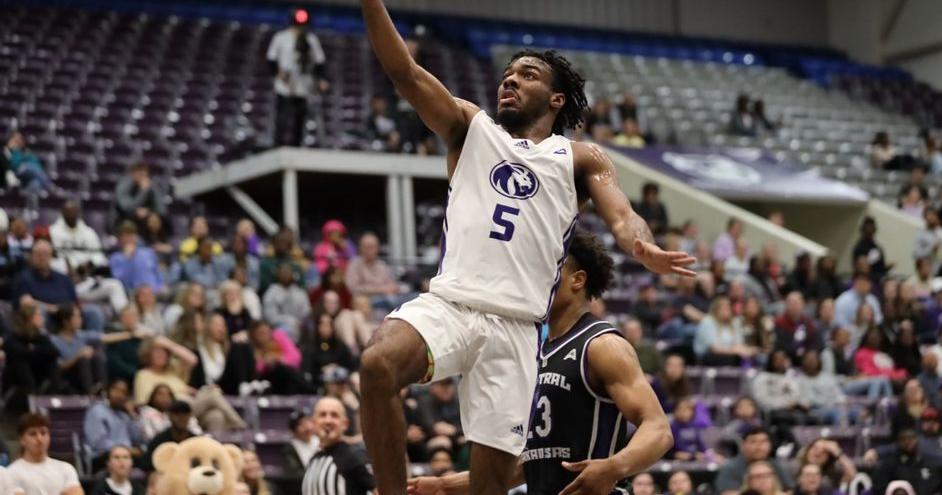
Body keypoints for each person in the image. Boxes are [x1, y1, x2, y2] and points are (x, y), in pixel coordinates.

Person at [359, 3, 694, 491]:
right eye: (507, 75)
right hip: (452, 303)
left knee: (492, 482)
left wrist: (642, 246)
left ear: (557, 98)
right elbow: (402, 71)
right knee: (377, 363)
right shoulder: (470, 127)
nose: (509, 81)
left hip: (517, 330)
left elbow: (622, 215)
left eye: (527, 75)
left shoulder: (580, 157)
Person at [406, 231, 673, 495]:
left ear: (577, 281)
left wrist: (614, 467)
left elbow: (659, 430)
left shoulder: (602, 345)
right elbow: (529, 463)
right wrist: (443, 485)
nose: (531, 280)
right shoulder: (533, 353)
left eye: (545, 270)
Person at [267, 8, 328, 147]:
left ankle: (296, 147)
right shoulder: (281, 37)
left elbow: (319, 62)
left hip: (303, 85)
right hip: (285, 86)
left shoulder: (311, 39)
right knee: (282, 119)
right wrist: (278, 72)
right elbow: (271, 59)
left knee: (299, 121)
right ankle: (278, 147)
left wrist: (321, 79)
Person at [302, 397, 375, 495]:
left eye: (334, 415)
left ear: (345, 424)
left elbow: (380, 490)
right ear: (314, 423)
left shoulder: (353, 456)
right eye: (322, 415)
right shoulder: (313, 460)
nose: (328, 421)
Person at [7, 413, 83, 495]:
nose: (39, 438)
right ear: (22, 440)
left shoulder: (66, 468)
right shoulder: (11, 473)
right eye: (33, 434)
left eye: (43, 433)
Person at [3, 304, 60, 409]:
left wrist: (34, 349)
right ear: (29, 319)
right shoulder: (13, 337)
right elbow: (19, 352)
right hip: (17, 386)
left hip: (37, 379)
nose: (42, 318)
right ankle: (32, 395)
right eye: (38, 315)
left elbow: (55, 352)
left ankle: (55, 394)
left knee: (51, 361)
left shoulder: (41, 336)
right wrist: (36, 352)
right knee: (20, 361)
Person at [83, 378, 145, 472]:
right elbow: (98, 443)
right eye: (115, 390)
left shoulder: (125, 415)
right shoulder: (97, 411)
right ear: (108, 392)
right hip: (103, 456)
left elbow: (138, 439)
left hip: (127, 455)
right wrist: (127, 450)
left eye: (123, 392)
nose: (119, 395)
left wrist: (132, 415)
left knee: (149, 459)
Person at [871, 428, 942, 495]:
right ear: (898, 442)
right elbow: (879, 487)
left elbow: (936, 485)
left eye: (911, 438)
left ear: (917, 439)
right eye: (904, 439)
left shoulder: (927, 462)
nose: (908, 442)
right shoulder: (889, 464)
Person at [751, 350, 812, 426]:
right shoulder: (762, 378)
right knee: (784, 420)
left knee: (813, 418)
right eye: (778, 359)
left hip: (797, 410)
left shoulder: (794, 376)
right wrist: (785, 405)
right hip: (775, 412)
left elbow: (802, 394)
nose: (781, 362)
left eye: (783, 359)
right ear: (771, 361)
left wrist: (803, 403)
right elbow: (762, 401)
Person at [344, 232, 401, 311]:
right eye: (367, 247)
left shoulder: (381, 265)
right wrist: (381, 290)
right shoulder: (354, 264)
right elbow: (353, 288)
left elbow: (391, 284)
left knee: (411, 298)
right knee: (392, 302)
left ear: (377, 248)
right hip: (366, 300)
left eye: (372, 247)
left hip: (385, 297)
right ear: (360, 248)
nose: (370, 250)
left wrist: (393, 288)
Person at [693, 296, 757, 366]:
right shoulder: (708, 321)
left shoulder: (733, 323)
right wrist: (734, 350)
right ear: (716, 310)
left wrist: (748, 350)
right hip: (708, 357)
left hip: (729, 355)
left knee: (751, 356)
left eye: (728, 308)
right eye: (724, 308)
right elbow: (714, 349)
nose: (727, 311)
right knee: (732, 358)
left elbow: (738, 344)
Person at [108, 221, 164, 294]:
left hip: (155, 293)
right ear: (119, 239)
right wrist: (127, 259)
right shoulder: (115, 258)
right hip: (134, 295)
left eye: (132, 235)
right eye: (126, 236)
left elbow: (157, 274)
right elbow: (121, 283)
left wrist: (160, 286)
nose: (129, 239)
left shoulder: (148, 252)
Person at [143, 400, 199, 472]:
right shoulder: (159, 441)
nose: (181, 417)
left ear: (190, 416)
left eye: (185, 414)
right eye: (177, 413)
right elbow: (147, 465)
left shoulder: (196, 441)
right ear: (169, 415)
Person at [263, 262, 312, 342]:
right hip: (278, 328)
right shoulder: (271, 292)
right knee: (286, 330)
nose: (285, 274)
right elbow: (270, 318)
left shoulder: (300, 292)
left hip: (299, 327)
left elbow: (306, 312)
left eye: (288, 272)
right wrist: (291, 321)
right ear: (278, 274)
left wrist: (301, 322)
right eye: (283, 272)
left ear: (292, 274)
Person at [796, 350, 848, 425]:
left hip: (833, 407)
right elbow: (803, 402)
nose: (811, 362)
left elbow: (839, 396)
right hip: (813, 412)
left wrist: (841, 404)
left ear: (818, 361)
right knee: (836, 413)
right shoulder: (799, 380)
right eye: (808, 360)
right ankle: (842, 435)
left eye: (813, 360)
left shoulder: (828, 378)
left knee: (857, 412)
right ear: (803, 361)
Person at [137, 384, 202, 442]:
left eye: (169, 395)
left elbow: (197, 432)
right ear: (152, 397)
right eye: (160, 394)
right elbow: (149, 437)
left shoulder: (182, 412)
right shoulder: (146, 412)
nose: (165, 398)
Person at [112, 162, 166, 231]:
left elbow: (161, 209)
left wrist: (149, 212)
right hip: (124, 221)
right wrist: (142, 192)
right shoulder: (123, 186)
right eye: (139, 173)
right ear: (132, 174)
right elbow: (126, 208)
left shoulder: (152, 186)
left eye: (144, 173)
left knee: (157, 221)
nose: (142, 176)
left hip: (146, 222)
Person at [774, 292, 822, 361]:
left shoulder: (808, 323)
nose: (794, 307)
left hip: (804, 356)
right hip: (787, 356)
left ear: (803, 305)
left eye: (796, 303)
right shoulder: (779, 323)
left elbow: (817, 343)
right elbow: (778, 345)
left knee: (812, 357)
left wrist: (808, 352)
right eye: (791, 304)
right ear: (786, 305)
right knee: (779, 356)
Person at [259, 226, 305, 295]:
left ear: (289, 245)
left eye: (284, 242)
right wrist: (279, 277)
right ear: (273, 243)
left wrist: (291, 278)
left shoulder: (295, 266)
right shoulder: (265, 264)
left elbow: (302, 286)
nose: (281, 245)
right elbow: (263, 287)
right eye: (279, 241)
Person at [668, 397, 715, 461]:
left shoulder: (694, 426)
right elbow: (678, 446)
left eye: (687, 409)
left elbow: (700, 443)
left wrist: (709, 452)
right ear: (675, 411)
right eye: (680, 409)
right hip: (679, 457)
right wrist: (694, 455)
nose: (684, 412)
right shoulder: (673, 427)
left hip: (695, 456)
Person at [853, 217, 892, 282]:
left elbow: (881, 268)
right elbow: (857, 267)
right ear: (863, 229)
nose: (870, 229)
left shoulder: (878, 248)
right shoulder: (859, 248)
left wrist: (887, 267)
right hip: (864, 280)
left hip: (878, 280)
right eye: (868, 227)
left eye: (871, 227)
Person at [283, 409, 320, 478]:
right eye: (300, 424)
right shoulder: (290, 448)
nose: (307, 427)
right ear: (294, 431)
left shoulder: (320, 440)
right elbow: (295, 473)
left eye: (307, 422)